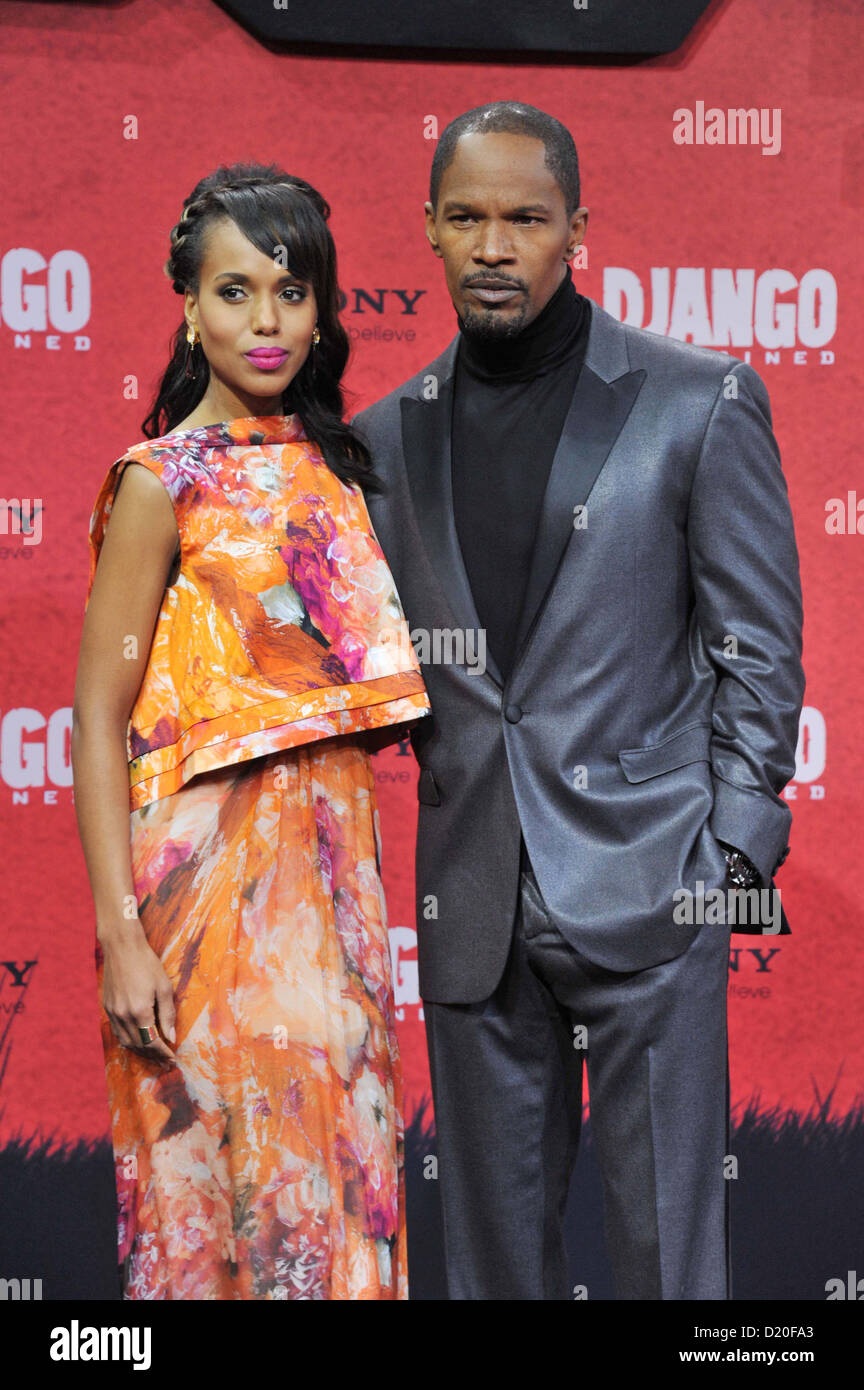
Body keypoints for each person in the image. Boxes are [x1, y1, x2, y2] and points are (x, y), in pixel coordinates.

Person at [353, 103, 805, 1300]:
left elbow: (757, 643)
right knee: (496, 1272)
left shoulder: (694, 402)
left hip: (656, 879)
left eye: (524, 218)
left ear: (577, 232)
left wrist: (731, 854)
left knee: (670, 1261)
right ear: (432, 233)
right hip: (474, 898)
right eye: (467, 218)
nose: (493, 245)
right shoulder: (381, 443)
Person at [72, 162, 430, 1300]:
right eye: (234, 291)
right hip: (198, 909)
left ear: (324, 310)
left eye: (290, 291)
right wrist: (122, 936)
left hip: (334, 907)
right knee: (210, 1215)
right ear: (187, 304)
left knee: (340, 1204)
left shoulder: (345, 473)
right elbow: (94, 711)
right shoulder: (157, 482)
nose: (264, 321)